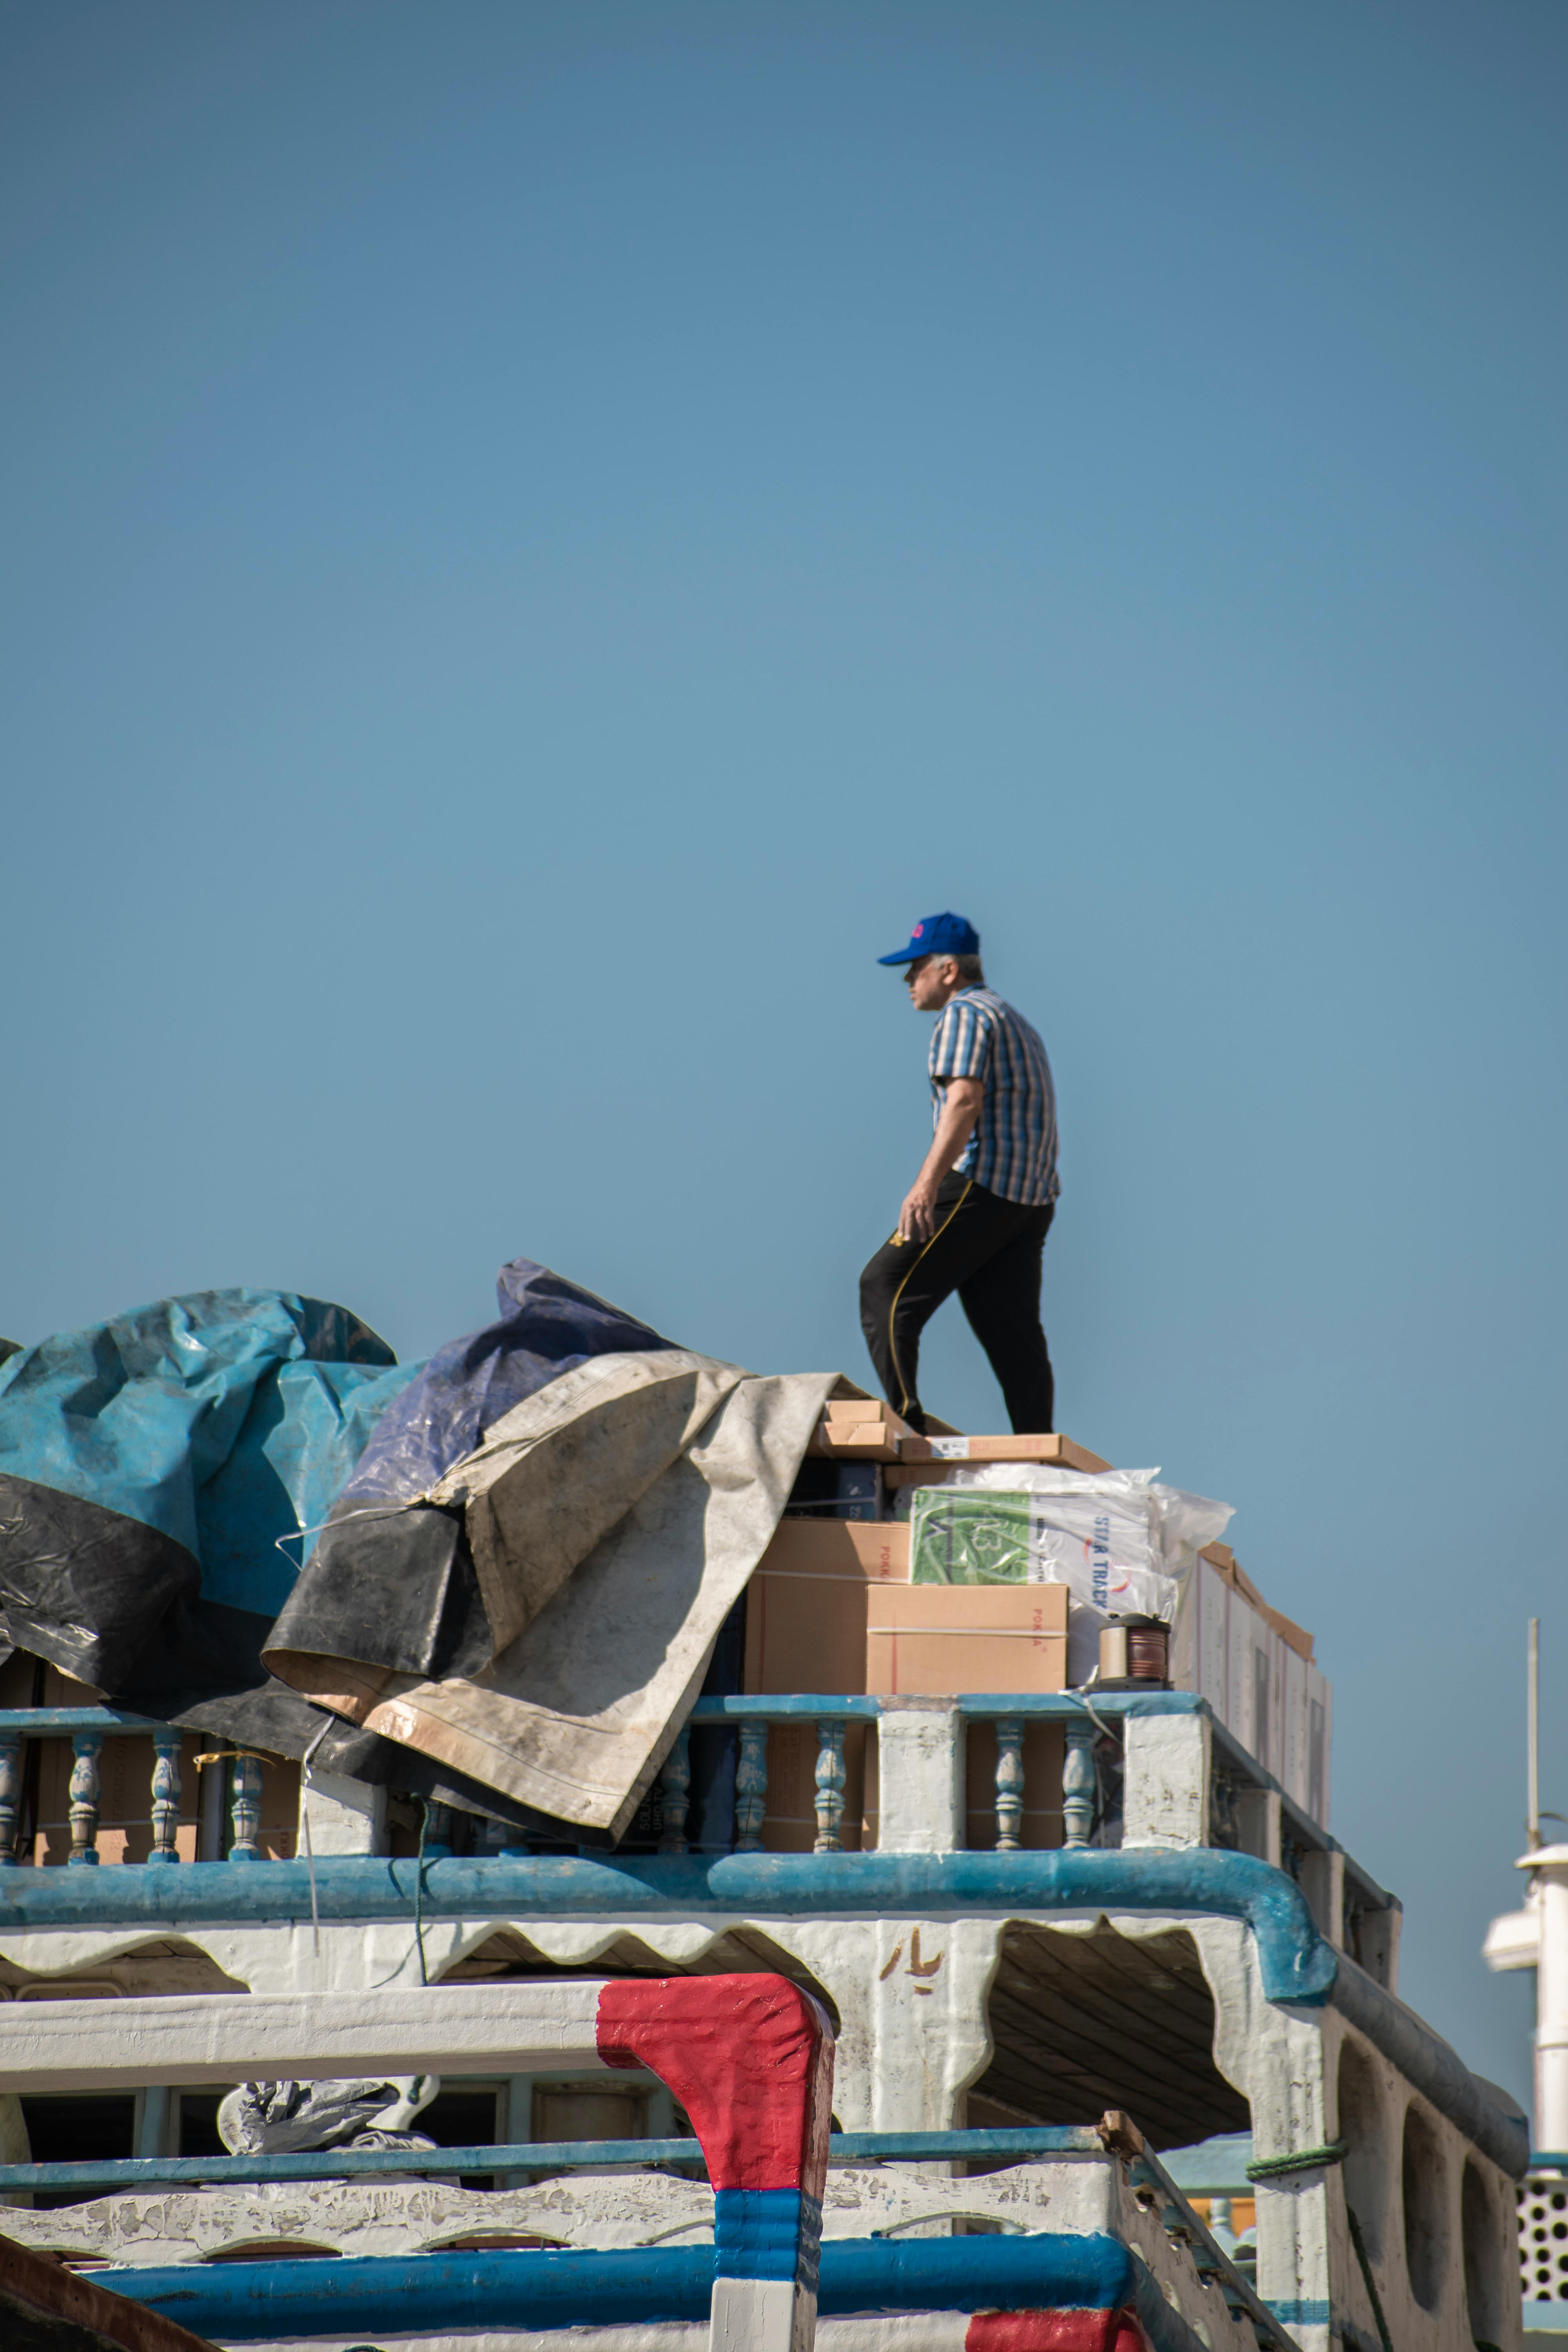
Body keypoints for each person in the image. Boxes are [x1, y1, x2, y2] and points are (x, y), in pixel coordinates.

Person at [858, 912, 1059, 1435]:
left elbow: (965, 1100)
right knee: (1012, 1335)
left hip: (981, 1184)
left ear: (949, 970)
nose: (908, 980)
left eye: (915, 967)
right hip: (1030, 1202)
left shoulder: (963, 1016)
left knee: (883, 1287)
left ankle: (907, 1429)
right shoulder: (1016, 1020)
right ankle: (1038, 1451)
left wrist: (925, 1187)